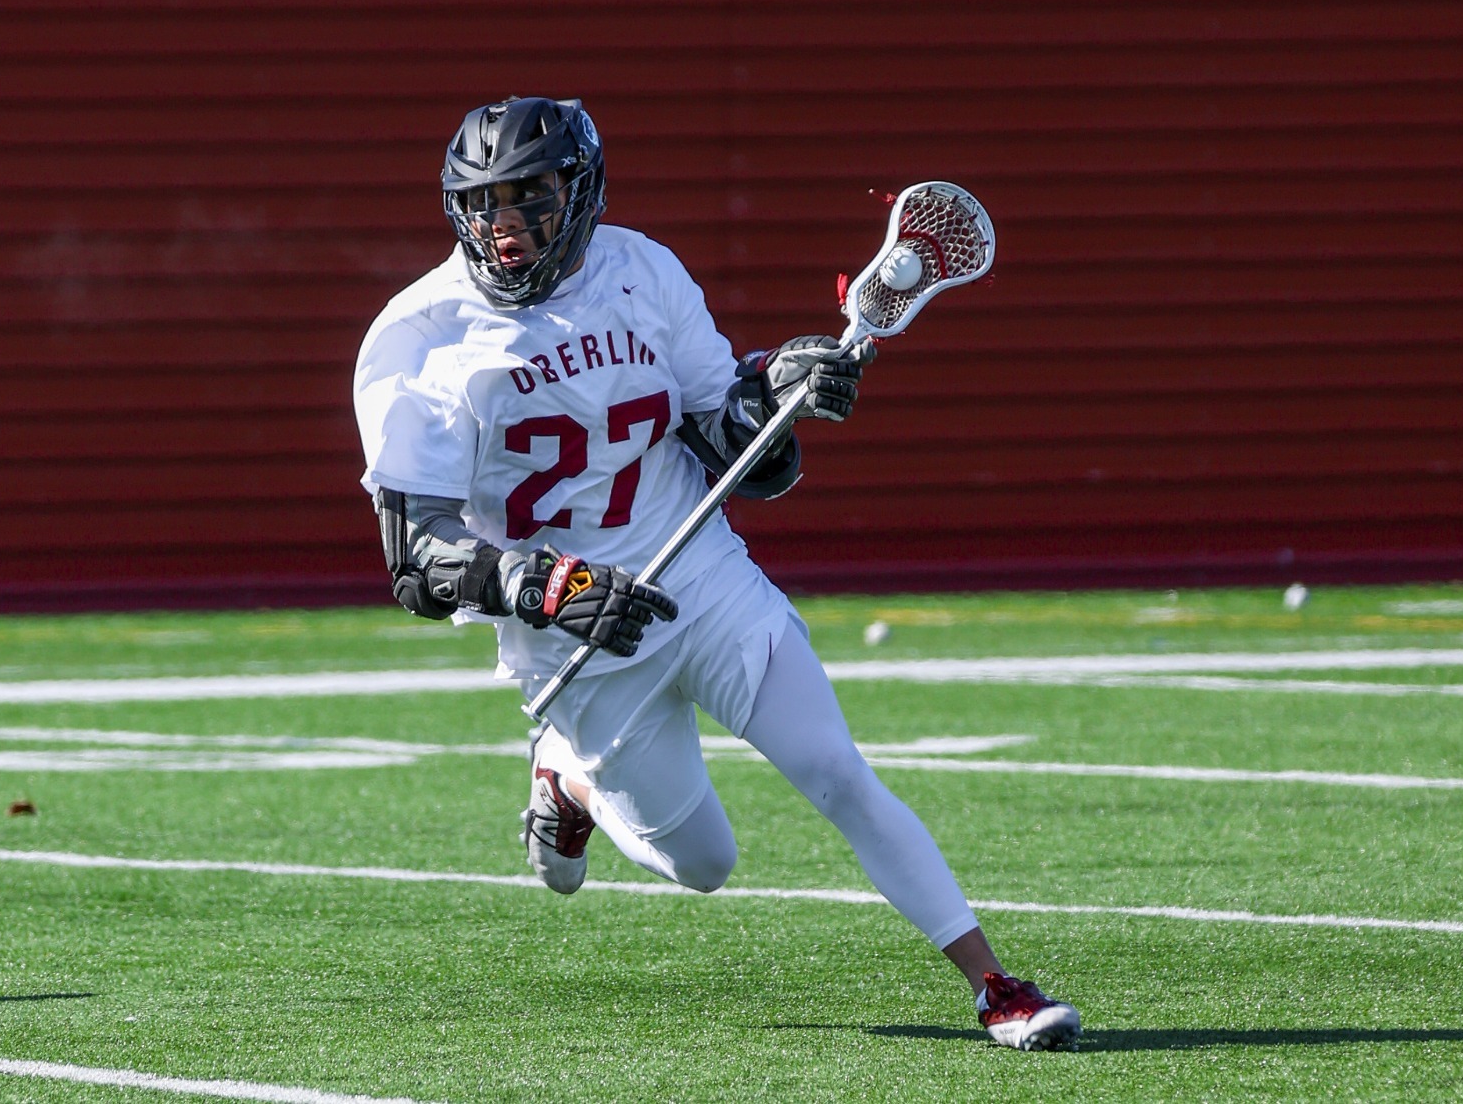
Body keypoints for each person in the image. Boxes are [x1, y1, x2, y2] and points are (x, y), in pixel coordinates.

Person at [352, 96, 1080, 1051]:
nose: (508, 227)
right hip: (575, 637)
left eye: (531, 198)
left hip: (701, 575)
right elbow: (416, 558)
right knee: (703, 863)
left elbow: (728, 439)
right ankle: (567, 780)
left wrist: (783, 393)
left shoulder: (642, 271)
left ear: (582, 190)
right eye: (486, 203)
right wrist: (543, 587)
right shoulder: (418, 338)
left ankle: (995, 986)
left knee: (836, 770)